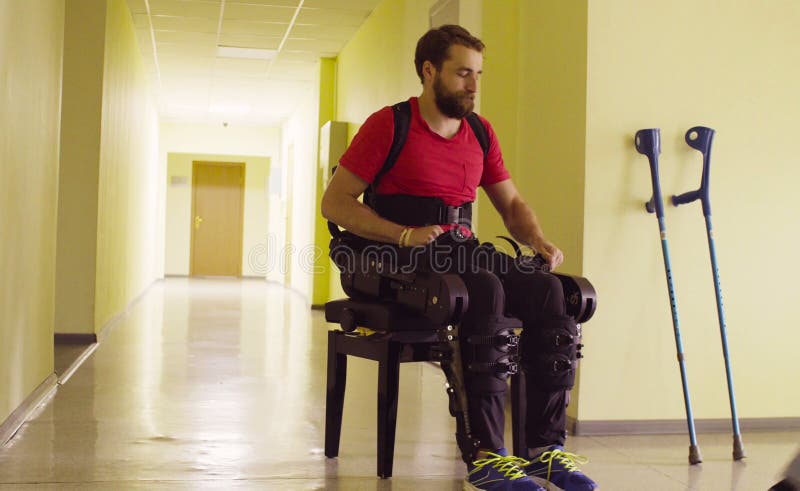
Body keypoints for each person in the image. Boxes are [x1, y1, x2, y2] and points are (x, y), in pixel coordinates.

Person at [321, 24, 598, 491]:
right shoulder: (390, 124)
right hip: (396, 255)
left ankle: (545, 451)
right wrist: (402, 234)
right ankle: (487, 456)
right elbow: (336, 203)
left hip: (459, 249)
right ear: (429, 71)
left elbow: (510, 203)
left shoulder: (480, 131)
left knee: (550, 291)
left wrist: (537, 240)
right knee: (483, 291)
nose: (473, 85)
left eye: (478, 74)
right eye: (463, 73)